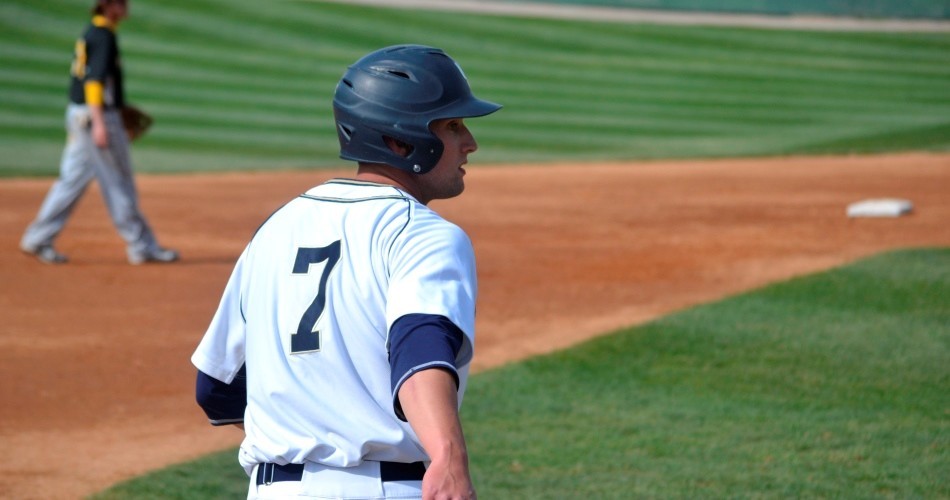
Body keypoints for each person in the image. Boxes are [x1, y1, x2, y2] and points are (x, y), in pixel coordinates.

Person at [191, 45, 501, 499]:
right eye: (453, 125)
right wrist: (449, 457)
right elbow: (420, 354)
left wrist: (310, 436)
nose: (470, 142)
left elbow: (216, 386)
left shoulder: (276, 228)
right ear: (401, 141)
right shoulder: (424, 234)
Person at [20, 0, 178, 265]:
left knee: (72, 179)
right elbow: (94, 82)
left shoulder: (92, 31)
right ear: (108, 6)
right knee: (118, 182)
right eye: (121, 2)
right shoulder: (104, 36)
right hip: (96, 117)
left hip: (79, 114)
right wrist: (102, 122)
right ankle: (142, 246)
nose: (126, 6)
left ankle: (38, 237)